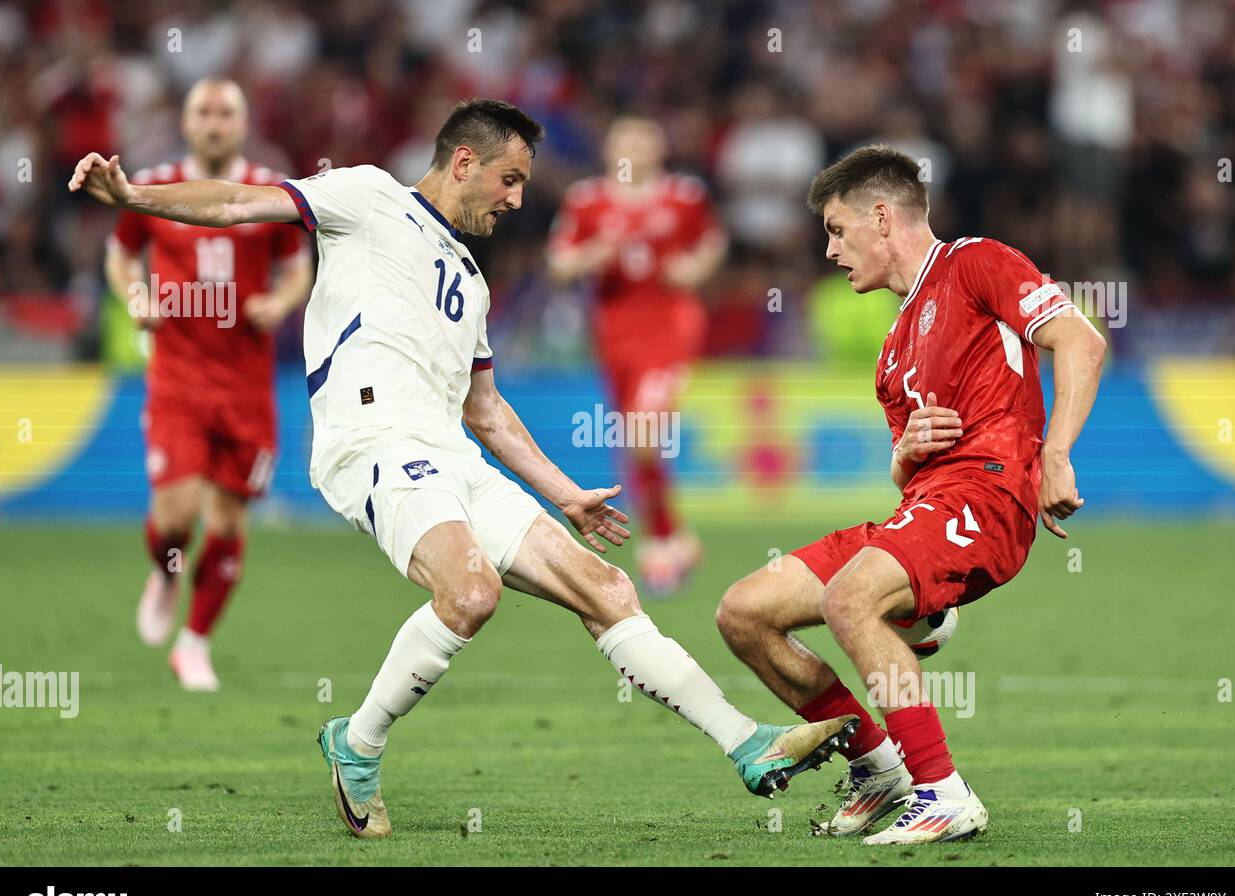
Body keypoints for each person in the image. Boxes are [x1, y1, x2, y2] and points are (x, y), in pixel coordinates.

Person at [70, 99, 852, 839]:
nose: (516, 200)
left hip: (449, 450)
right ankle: (359, 743)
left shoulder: (471, 283)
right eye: (510, 180)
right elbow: (243, 204)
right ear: (465, 159)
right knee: (470, 592)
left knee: (607, 588)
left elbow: (486, 410)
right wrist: (136, 195)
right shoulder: (367, 196)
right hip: (372, 438)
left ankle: (747, 742)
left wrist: (565, 493)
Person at [715, 145, 1106, 845]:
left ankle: (943, 792)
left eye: (837, 230)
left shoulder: (975, 262)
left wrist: (1055, 456)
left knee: (848, 599)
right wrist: (904, 455)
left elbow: (1080, 339)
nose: (829, 249)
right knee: (744, 613)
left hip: (988, 495)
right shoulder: (893, 351)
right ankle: (877, 763)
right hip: (926, 506)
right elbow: (908, 484)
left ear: (882, 216)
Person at [106, 77, 312, 691]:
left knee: (226, 522)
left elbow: (297, 266)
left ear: (243, 124)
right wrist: (135, 293)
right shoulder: (156, 185)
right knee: (177, 515)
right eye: (204, 111)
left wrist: (280, 303)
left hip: (247, 387)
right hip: (178, 377)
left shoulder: (269, 191)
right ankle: (168, 572)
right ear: (187, 122)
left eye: (227, 111)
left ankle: (194, 644)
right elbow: (121, 255)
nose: (215, 121)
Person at [547, 116, 726, 595]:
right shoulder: (587, 200)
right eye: (623, 139)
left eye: (643, 140)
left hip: (670, 327)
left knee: (645, 433)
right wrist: (592, 256)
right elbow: (560, 263)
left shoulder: (684, 196)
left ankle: (659, 543)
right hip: (614, 333)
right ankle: (677, 537)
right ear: (608, 148)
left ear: (659, 147)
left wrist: (695, 268)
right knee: (636, 440)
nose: (633, 149)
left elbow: (711, 242)